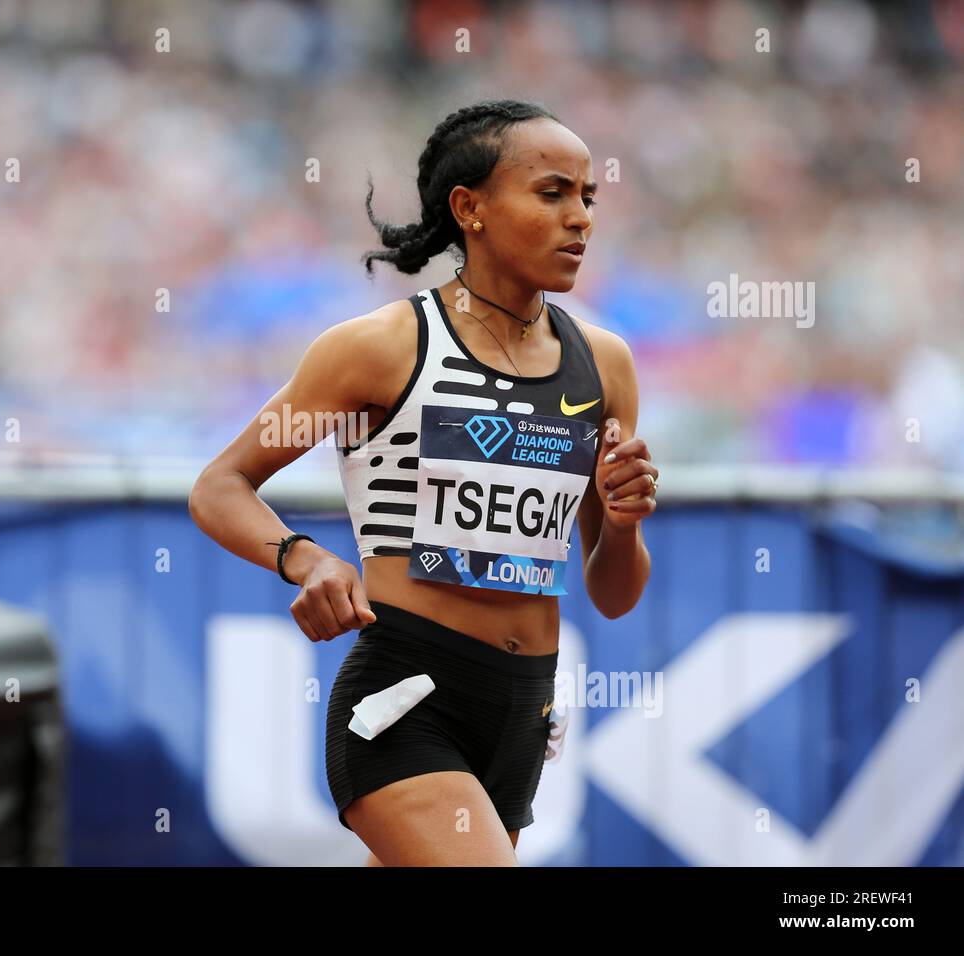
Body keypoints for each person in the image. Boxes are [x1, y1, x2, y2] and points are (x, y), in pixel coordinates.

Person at [189, 98, 658, 866]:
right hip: (406, 699)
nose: (581, 218)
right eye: (552, 193)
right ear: (469, 208)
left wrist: (627, 522)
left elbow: (613, 592)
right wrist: (306, 558)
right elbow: (221, 485)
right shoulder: (377, 348)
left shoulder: (605, 363)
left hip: (523, 711)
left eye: (589, 197)